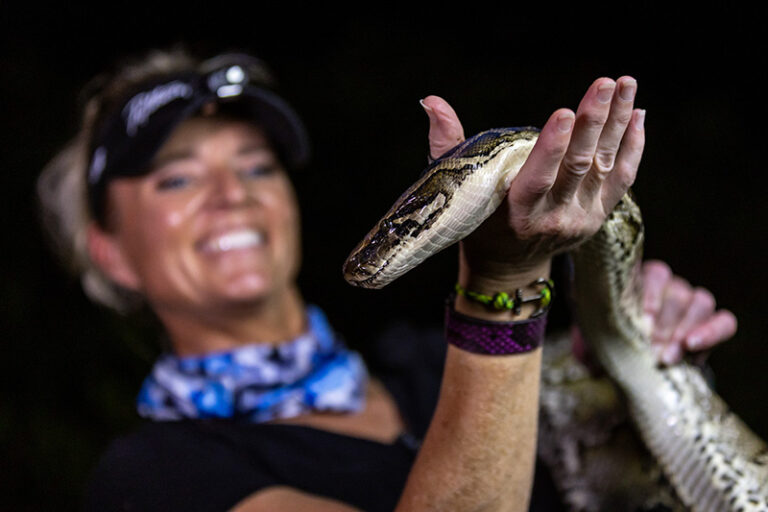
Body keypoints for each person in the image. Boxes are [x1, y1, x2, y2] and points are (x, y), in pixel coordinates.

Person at [37, 48, 737, 511]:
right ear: (110, 252)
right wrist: (501, 289)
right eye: (178, 177)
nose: (233, 194)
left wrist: (627, 352)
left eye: (255, 166)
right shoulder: (156, 476)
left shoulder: (426, 360)